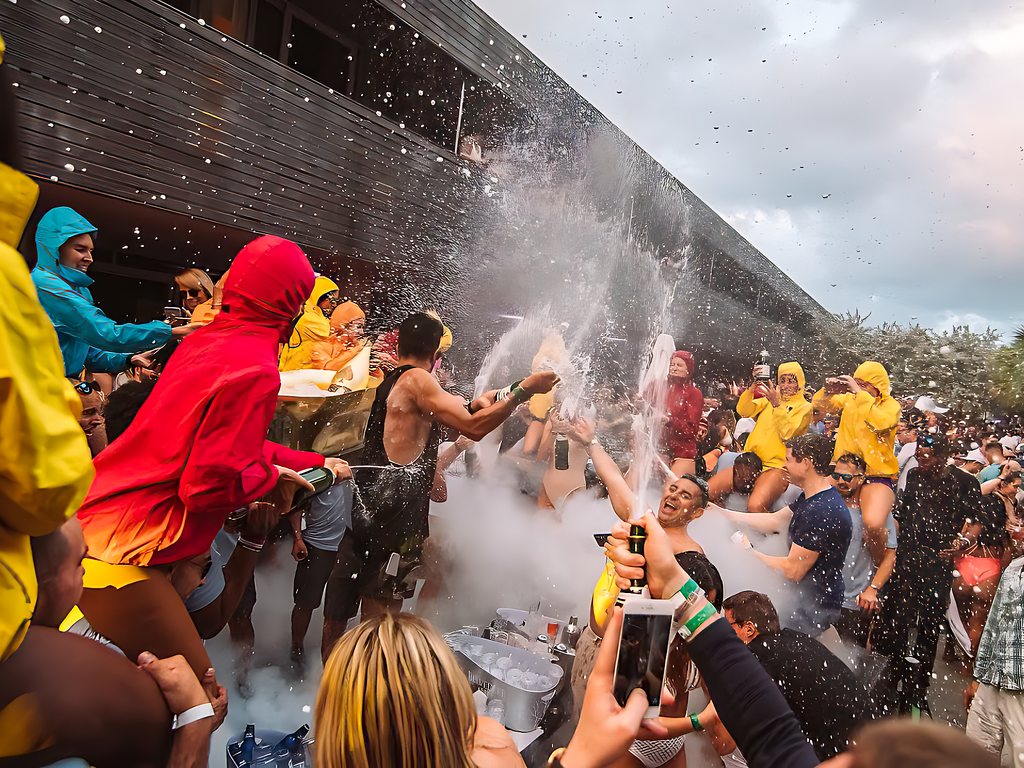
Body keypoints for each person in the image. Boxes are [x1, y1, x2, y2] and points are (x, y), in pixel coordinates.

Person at [75, 235, 351, 679]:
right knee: (202, 703)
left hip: (99, 519)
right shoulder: (256, 366)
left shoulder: (204, 342)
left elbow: (231, 445)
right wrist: (271, 482)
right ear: (292, 303)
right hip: (134, 546)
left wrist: (309, 463)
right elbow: (206, 484)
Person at [338, 312, 558, 628]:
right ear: (436, 353)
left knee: (381, 612)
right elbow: (473, 425)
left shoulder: (398, 379)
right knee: (380, 620)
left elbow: (472, 406)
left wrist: (514, 388)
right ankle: (367, 675)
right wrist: (525, 391)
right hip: (390, 523)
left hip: (378, 518)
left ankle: (357, 672)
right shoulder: (417, 379)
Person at [563, 418, 727, 768]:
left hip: (640, 705)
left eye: (685, 495)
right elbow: (615, 483)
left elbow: (694, 638)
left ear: (697, 512)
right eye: (672, 488)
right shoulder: (646, 526)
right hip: (657, 718)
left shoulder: (693, 566)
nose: (673, 495)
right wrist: (592, 442)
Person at [31, 207, 193, 452]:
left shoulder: (75, 289)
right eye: (80, 249)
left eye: (90, 251)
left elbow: (89, 352)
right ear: (54, 247)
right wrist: (172, 331)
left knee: (97, 464)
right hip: (43, 401)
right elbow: (104, 333)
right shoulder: (46, 286)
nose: (89, 258)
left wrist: (130, 358)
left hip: (70, 397)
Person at [872, 433, 985, 714]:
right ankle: (892, 675)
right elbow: (901, 513)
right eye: (920, 454)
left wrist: (961, 544)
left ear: (943, 456)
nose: (923, 459)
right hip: (908, 556)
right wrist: (890, 545)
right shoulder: (915, 477)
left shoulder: (965, 483)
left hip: (938, 561)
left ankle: (918, 687)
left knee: (929, 624)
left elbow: (975, 524)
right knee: (897, 617)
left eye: (929, 455)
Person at [723, 590, 874, 760]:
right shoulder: (791, 638)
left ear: (749, 629)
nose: (723, 633)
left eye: (727, 626)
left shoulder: (760, 655)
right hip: (865, 731)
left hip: (839, 744)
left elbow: (734, 733)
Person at [738, 433, 853, 635]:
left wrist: (748, 552)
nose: (784, 465)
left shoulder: (820, 510)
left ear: (806, 463)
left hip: (812, 609)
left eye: (788, 460)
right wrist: (721, 513)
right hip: (810, 601)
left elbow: (793, 570)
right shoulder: (814, 496)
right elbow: (774, 521)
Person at [813, 362, 901, 564]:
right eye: (856, 383)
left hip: (876, 475)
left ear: (877, 387)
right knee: (810, 500)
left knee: (872, 524)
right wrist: (827, 391)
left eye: (863, 384)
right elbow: (821, 406)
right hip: (844, 473)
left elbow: (880, 423)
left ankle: (880, 566)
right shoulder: (850, 401)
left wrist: (859, 394)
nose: (857, 388)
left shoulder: (891, 406)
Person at [718, 362, 811, 514]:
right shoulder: (770, 399)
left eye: (791, 381)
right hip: (751, 461)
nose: (786, 385)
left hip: (777, 467)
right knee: (709, 491)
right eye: (783, 380)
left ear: (799, 384)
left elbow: (788, 434)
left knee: (755, 506)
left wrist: (777, 405)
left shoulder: (805, 408)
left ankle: (765, 536)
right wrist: (750, 390)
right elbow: (744, 411)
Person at [832, 453, 897, 647]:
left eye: (847, 477)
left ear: (861, 478)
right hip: (825, 596)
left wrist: (873, 589)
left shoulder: (875, 512)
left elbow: (890, 557)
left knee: (850, 656)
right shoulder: (829, 503)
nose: (841, 481)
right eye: (837, 476)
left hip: (855, 600)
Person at [965, 553, 1024, 766]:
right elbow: (992, 626)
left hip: (1019, 691)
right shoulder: (1015, 568)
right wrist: (978, 678)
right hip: (993, 680)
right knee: (975, 753)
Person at [288, 483, 355, 671]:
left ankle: (337, 656)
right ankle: (296, 648)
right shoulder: (320, 471)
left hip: (348, 547)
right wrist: (297, 538)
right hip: (317, 544)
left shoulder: (357, 466)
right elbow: (295, 504)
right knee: (306, 601)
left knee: (341, 607)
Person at [279, 275, 339, 371]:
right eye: (333, 300)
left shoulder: (308, 313)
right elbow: (334, 333)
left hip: (297, 371)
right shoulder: (307, 316)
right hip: (296, 372)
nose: (334, 305)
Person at [660, 351, 704, 478]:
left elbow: (691, 430)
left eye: (679, 365)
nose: (674, 367)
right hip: (661, 450)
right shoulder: (665, 390)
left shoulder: (694, 393)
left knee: (672, 488)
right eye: (672, 364)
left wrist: (669, 421)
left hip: (683, 453)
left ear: (688, 370)